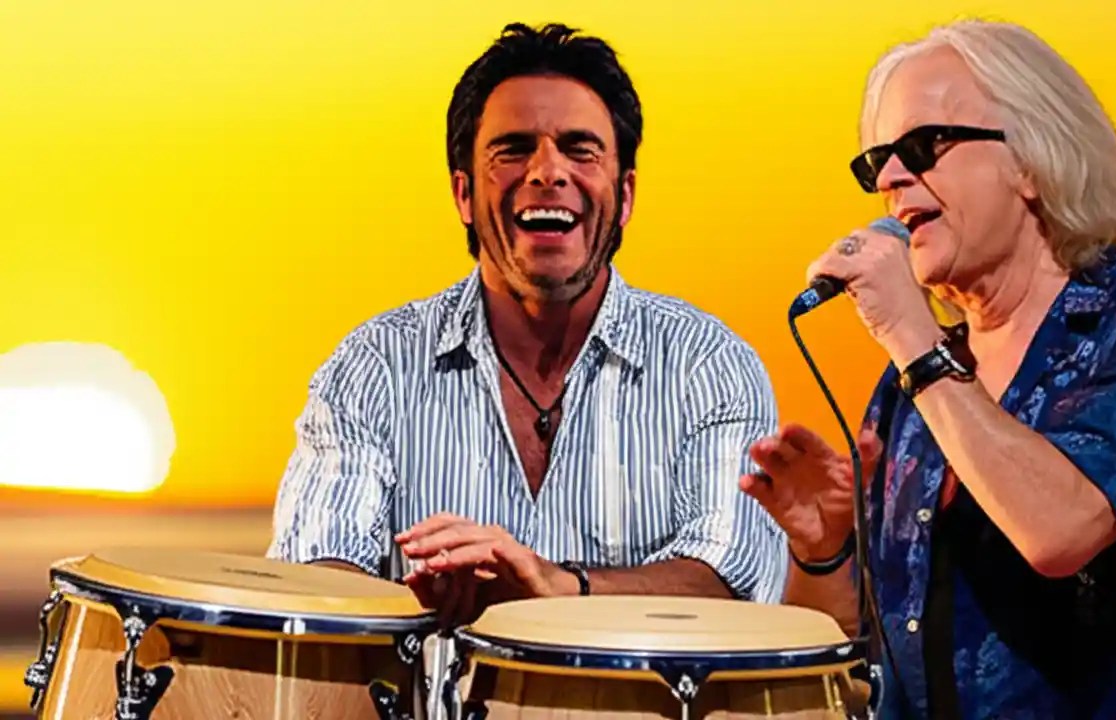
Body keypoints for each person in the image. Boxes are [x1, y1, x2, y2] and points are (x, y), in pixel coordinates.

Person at [740, 19, 1116, 720]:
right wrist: (824, 551)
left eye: (924, 146)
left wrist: (910, 335)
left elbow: (1064, 531)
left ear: (1031, 160)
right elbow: (853, 657)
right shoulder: (912, 391)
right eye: (877, 163)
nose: (891, 179)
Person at [267, 22, 786, 628]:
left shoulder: (709, 365)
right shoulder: (373, 368)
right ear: (464, 195)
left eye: (579, 149)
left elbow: (732, 580)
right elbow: (314, 580)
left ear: (625, 195)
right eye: (512, 149)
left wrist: (557, 587)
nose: (547, 171)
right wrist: (417, 606)